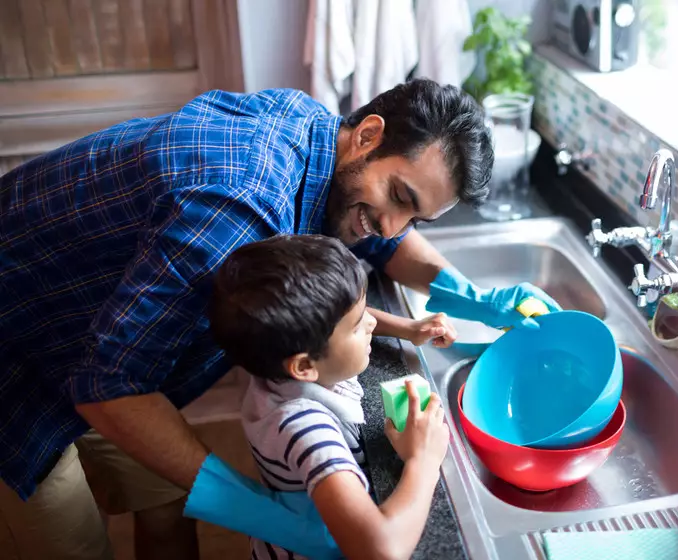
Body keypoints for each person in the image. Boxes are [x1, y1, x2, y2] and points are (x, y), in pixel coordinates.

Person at [0, 79, 560, 559]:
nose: (394, 228)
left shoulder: (320, 135)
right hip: (20, 359)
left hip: (110, 339)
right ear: (367, 136)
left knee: (165, 505)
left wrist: (473, 297)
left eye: (417, 215)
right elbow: (105, 385)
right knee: (75, 546)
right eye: (399, 196)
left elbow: (376, 235)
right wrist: (260, 512)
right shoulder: (236, 208)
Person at [210, 233, 452, 560]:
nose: (370, 322)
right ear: (305, 365)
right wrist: (423, 461)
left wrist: (407, 328)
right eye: (357, 326)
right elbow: (380, 551)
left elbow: (336, 319)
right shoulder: (305, 427)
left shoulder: (274, 360)